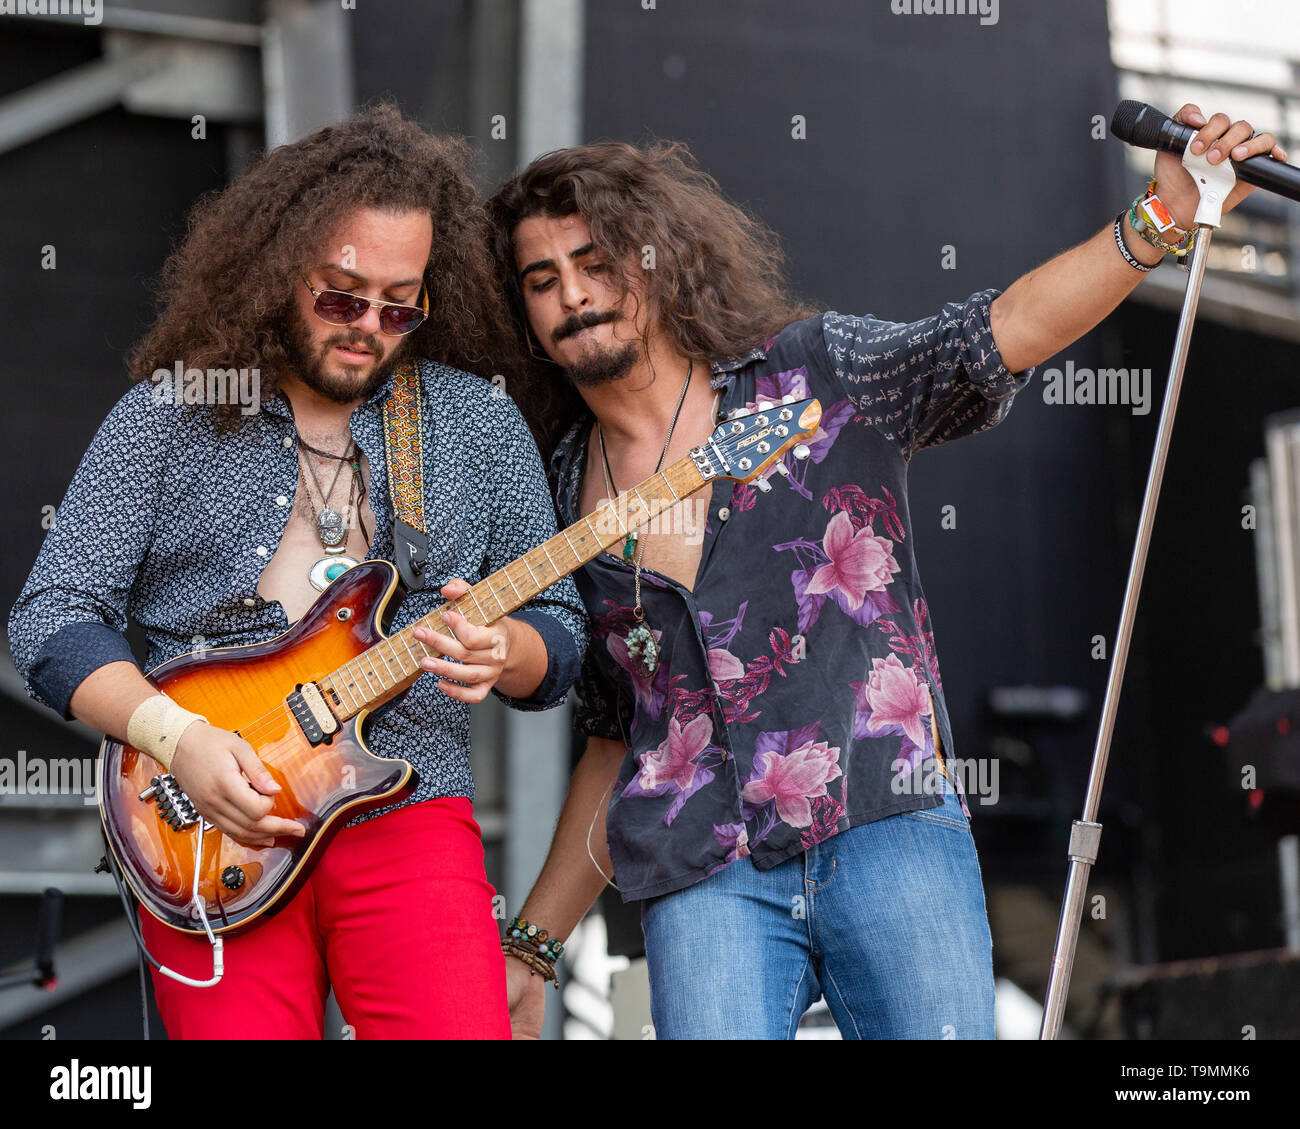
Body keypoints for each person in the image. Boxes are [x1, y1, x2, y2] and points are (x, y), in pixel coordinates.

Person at [485, 105, 1284, 1039]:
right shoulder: (556, 493)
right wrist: (533, 943)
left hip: (885, 824)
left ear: (657, 261)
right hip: (703, 872)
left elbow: (1001, 330)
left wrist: (1156, 218)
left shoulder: (815, 373)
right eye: (544, 280)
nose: (574, 294)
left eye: (597, 262)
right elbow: (620, 739)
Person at [8, 104, 587, 1040]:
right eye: (340, 297)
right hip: (209, 818)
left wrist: (508, 648)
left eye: (401, 306)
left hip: (409, 803)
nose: (369, 328)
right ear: (279, 267)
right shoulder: (174, 413)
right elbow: (50, 617)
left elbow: (561, 628)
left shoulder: (476, 425)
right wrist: (178, 740)